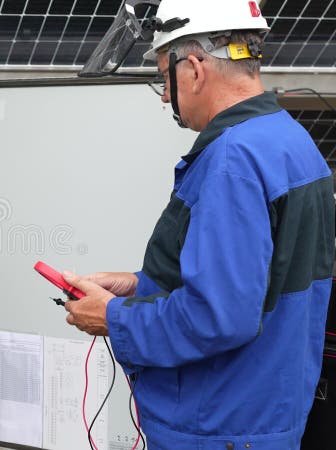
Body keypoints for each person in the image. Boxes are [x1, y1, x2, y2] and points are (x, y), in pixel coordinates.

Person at [62, 0, 334, 449]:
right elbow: (258, 284)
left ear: (193, 68)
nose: (164, 96)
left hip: (218, 427)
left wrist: (112, 317)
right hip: (266, 417)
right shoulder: (292, 141)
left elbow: (218, 318)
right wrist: (140, 285)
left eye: (163, 78)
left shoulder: (233, 159)